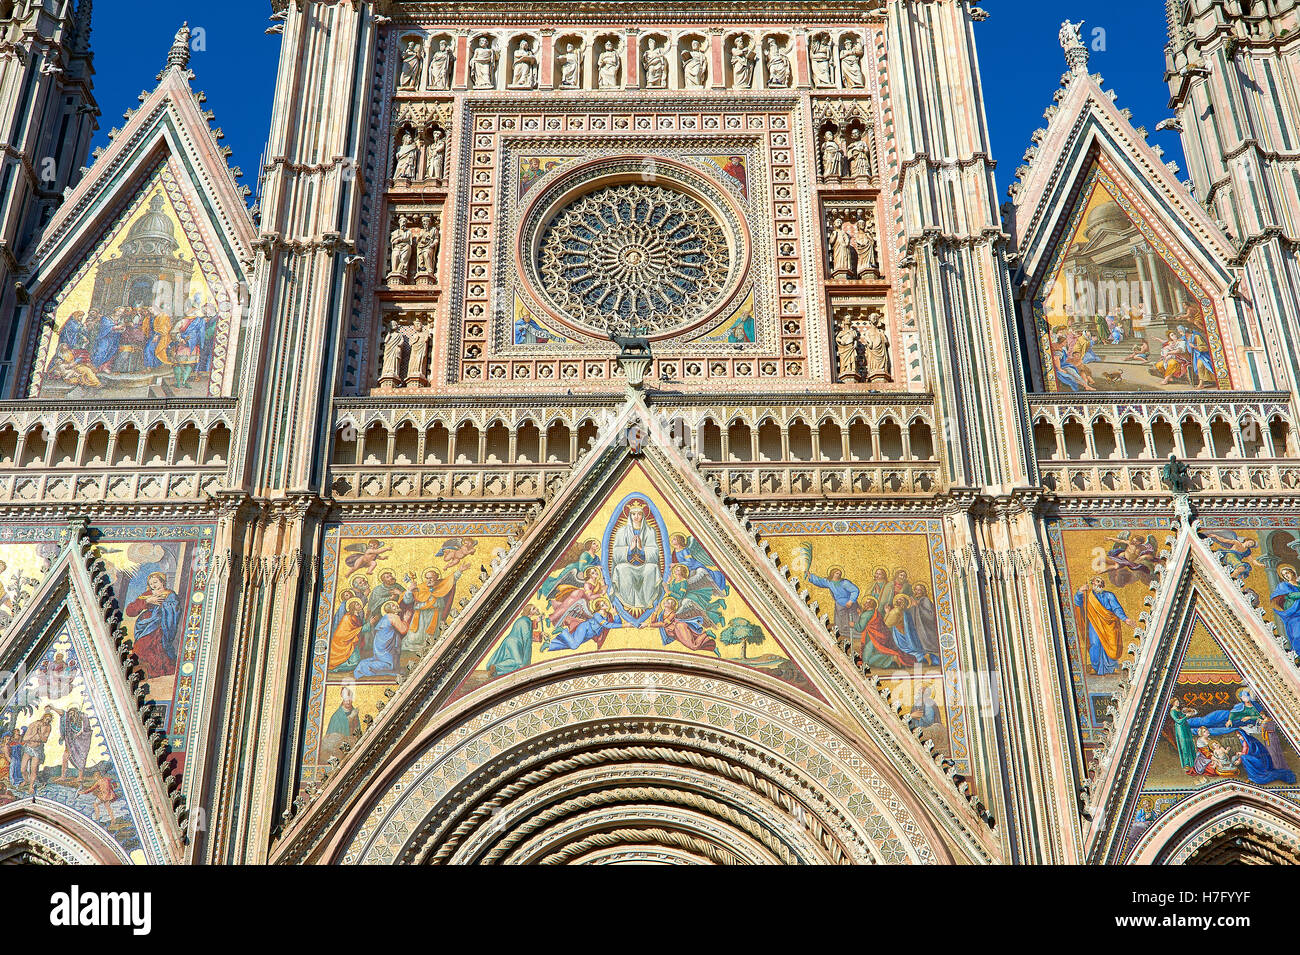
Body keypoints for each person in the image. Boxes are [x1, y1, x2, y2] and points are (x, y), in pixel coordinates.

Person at [610, 498, 662, 616]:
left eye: (639, 514)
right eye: (633, 514)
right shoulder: (621, 532)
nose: (636, 517)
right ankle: (627, 602)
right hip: (628, 564)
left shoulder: (650, 531)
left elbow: (655, 554)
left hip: (644, 565)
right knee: (622, 568)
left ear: (643, 516)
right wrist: (630, 549)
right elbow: (616, 554)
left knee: (652, 568)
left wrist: (642, 549)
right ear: (629, 515)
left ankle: (646, 601)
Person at [125, 571, 181, 678]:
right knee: (140, 648)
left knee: (155, 649)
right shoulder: (147, 595)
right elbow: (130, 611)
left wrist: (162, 605)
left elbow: (175, 609)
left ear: (162, 582)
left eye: (155, 582)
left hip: (161, 626)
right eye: (151, 584)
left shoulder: (170, 594)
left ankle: (155, 673)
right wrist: (147, 601)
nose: (153, 585)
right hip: (145, 625)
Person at [1073, 575, 1128, 676]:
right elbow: (1077, 602)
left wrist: (1125, 618)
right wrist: (1080, 591)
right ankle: (1095, 667)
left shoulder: (1109, 595)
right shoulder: (1088, 595)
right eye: (1096, 582)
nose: (1099, 584)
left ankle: (1112, 667)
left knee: (1112, 644)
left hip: (1110, 624)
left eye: (1100, 583)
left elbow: (1116, 608)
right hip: (1095, 624)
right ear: (1092, 584)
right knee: (1095, 644)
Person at [354, 601, 412, 678]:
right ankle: (365, 667)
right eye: (393, 606)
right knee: (388, 664)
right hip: (385, 644)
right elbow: (403, 630)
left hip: (380, 643)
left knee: (382, 660)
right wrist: (406, 619)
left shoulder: (386, 617)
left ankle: (364, 665)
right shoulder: (393, 616)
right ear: (389, 609)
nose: (396, 606)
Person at [647, 597, 718, 654]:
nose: (665, 602)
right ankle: (713, 648)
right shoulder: (661, 614)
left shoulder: (672, 614)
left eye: (668, 602)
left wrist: (647, 625)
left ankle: (707, 633)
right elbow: (654, 622)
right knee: (696, 643)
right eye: (666, 601)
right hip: (675, 633)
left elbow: (664, 624)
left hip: (679, 628)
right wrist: (655, 612)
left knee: (693, 646)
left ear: (672, 606)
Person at [486, 606, 543, 676]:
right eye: (533, 609)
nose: (536, 609)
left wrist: (537, 622)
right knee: (520, 663)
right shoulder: (526, 621)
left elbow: (525, 631)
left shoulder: (522, 620)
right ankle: (497, 667)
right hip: (515, 643)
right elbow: (527, 637)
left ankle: (495, 668)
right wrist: (527, 655)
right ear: (529, 612)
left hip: (509, 641)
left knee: (513, 660)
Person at [808, 567, 859, 638]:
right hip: (839, 603)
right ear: (832, 573)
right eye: (837, 573)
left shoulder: (844, 583)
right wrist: (810, 576)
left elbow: (855, 590)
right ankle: (842, 632)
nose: (838, 575)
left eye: (840, 574)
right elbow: (820, 581)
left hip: (850, 602)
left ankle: (856, 632)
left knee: (852, 617)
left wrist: (851, 601)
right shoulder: (829, 582)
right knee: (841, 618)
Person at [50, 704, 93, 784]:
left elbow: (86, 729)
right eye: (70, 713)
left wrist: (80, 733)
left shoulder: (82, 718)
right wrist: (52, 707)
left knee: (81, 758)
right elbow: (62, 713)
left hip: (81, 742)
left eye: (73, 713)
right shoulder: (67, 720)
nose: (71, 715)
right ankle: (63, 776)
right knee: (65, 757)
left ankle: (80, 777)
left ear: (76, 713)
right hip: (70, 742)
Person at [328, 597, 365, 672]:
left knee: (356, 662)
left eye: (359, 604)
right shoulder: (347, 617)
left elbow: (358, 629)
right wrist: (368, 625)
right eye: (357, 604)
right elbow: (345, 633)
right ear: (352, 606)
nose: (360, 605)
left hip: (352, 642)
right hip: (343, 644)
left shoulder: (357, 617)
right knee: (355, 663)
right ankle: (336, 668)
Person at [1270, 564, 1300, 654]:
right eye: (1284, 575)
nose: (1286, 575)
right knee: (1297, 634)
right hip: (1294, 614)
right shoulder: (1284, 585)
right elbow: (1290, 595)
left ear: (1293, 573)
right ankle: (1297, 654)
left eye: (1287, 573)